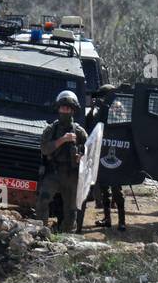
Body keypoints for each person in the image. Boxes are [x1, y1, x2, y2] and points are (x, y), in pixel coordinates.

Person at [36, 90, 88, 231]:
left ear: (73, 110)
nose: (65, 111)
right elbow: (45, 149)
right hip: (53, 172)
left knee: (71, 210)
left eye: (68, 108)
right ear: (58, 109)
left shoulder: (80, 132)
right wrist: (63, 140)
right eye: (62, 108)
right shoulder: (50, 130)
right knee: (42, 201)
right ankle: (41, 232)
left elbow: (88, 153)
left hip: (71, 174)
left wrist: (80, 157)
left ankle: (66, 236)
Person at [86, 84, 126, 231]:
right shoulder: (98, 109)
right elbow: (92, 126)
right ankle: (107, 218)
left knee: (117, 189)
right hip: (101, 151)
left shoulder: (119, 108)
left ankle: (121, 221)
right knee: (104, 188)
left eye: (104, 96)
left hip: (116, 151)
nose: (102, 99)